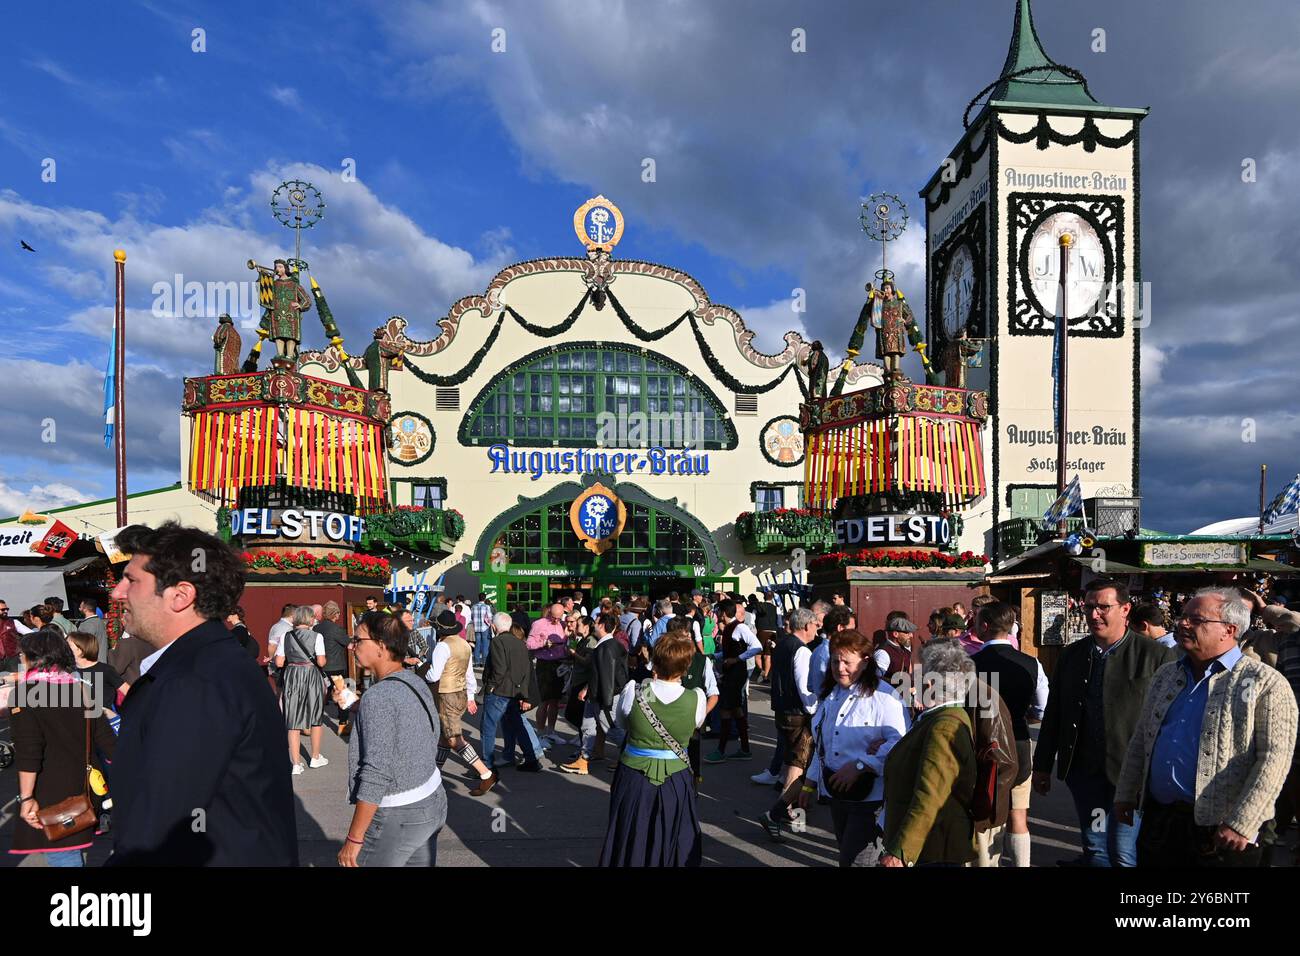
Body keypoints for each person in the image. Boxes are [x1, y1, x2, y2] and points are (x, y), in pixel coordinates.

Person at [106, 522, 297, 866]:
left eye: (131, 580)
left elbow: (157, 831)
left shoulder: (194, 681)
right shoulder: (209, 663)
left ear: (180, 595)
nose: (118, 593)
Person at [1115, 588, 1299, 867]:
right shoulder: (1167, 674)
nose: (1183, 623)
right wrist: (1126, 793)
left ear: (1229, 629)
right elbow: (1143, 737)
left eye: (1196, 619)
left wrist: (1243, 822)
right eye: (1183, 616)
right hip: (1161, 821)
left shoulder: (1266, 683)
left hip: (1223, 832)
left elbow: (1274, 761)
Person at [1032, 578, 1176, 867]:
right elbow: (1055, 714)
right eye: (1089, 607)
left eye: (1103, 607)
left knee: (1123, 851)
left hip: (1131, 775)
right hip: (1086, 773)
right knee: (1095, 847)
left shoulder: (1156, 656)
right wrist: (1043, 766)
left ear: (1125, 609)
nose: (1093, 614)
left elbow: (1171, 719)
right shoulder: (1073, 655)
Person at [334, 611, 448, 866]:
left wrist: (354, 839)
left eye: (358, 640)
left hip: (398, 811)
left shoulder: (379, 697)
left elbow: (375, 772)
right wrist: (354, 703)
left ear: (381, 647)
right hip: (431, 797)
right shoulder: (412, 681)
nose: (352, 645)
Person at [10, 627, 117, 867]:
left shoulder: (24, 694)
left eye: (22, 654)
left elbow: (29, 752)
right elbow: (108, 742)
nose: (20, 659)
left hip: (49, 791)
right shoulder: (81, 688)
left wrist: (26, 797)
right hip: (85, 787)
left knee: (62, 851)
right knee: (71, 849)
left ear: (35, 657)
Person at [599, 632, 707, 867]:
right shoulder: (695, 698)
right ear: (686, 665)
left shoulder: (635, 691)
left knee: (631, 833)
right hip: (676, 777)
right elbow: (695, 726)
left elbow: (620, 723)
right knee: (673, 835)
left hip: (634, 776)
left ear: (655, 662)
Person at [880, 638, 978, 867]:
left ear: (930, 684)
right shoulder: (938, 719)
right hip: (931, 845)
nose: (911, 681)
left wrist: (901, 852)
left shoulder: (944, 726)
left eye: (916, 675)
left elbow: (929, 795)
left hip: (934, 849)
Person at [970, 601, 1048, 867]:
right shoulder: (1031, 663)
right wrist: (1025, 715)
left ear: (985, 625)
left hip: (981, 745)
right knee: (1018, 815)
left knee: (985, 814)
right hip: (1018, 741)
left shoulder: (969, 665)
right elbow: (1042, 708)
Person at [759, 607, 826, 839]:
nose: (817, 630)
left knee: (791, 760)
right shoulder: (802, 650)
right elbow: (803, 686)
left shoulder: (785, 644)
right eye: (816, 625)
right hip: (797, 713)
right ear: (806, 625)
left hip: (782, 710)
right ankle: (782, 809)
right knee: (799, 763)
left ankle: (785, 809)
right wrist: (813, 711)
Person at [416, 610, 497, 796]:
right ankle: (433, 776)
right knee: (446, 737)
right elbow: (469, 674)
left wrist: (421, 666)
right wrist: (470, 697)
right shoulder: (464, 644)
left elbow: (434, 675)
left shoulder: (442, 646)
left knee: (454, 738)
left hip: (447, 695)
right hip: (460, 694)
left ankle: (486, 774)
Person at [562, 612, 629, 775]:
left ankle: (630, 757)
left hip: (604, 697)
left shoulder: (606, 647)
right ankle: (583, 760)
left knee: (611, 728)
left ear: (602, 626)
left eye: (597, 622)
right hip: (597, 694)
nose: (594, 625)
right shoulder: (609, 645)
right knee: (588, 726)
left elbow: (607, 676)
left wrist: (604, 701)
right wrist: (588, 689)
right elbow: (599, 673)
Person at [481, 612, 543, 773]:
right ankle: (531, 759)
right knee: (518, 725)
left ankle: (487, 766)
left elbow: (499, 669)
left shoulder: (497, 641)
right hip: (515, 691)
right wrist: (523, 692)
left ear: (494, 627)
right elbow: (526, 671)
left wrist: (490, 687)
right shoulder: (520, 643)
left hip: (500, 690)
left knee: (488, 727)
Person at [705, 599, 762, 762]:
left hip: (736, 673)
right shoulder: (730, 628)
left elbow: (757, 646)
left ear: (723, 613)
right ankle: (745, 749)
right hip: (731, 671)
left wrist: (737, 659)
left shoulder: (740, 627)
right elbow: (730, 651)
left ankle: (721, 751)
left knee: (725, 710)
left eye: (717, 612)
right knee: (737, 710)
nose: (715, 615)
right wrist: (716, 656)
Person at [278, 605, 328, 774]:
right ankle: (315, 757)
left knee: (293, 720)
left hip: (292, 675)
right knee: (315, 716)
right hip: (311, 674)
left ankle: (296, 764)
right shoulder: (317, 636)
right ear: (309, 619)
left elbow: (279, 662)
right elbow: (321, 662)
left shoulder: (286, 636)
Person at [527, 602, 569, 745]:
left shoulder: (563, 625)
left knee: (555, 701)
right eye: (554, 617)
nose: (556, 620)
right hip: (544, 664)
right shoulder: (539, 623)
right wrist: (543, 643)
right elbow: (529, 643)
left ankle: (551, 732)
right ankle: (540, 734)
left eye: (559, 617)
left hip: (559, 664)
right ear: (549, 612)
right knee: (544, 701)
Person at [67, 630, 125, 716]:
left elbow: (129, 691)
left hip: (102, 722)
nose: (63, 648)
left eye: (68, 646)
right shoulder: (69, 671)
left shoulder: (105, 670)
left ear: (80, 649)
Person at [316, 601, 351, 731]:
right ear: (335, 614)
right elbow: (349, 644)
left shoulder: (317, 628)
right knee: (343, 695)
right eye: (338, 613)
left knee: (320, 695)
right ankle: (343, 725)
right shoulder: (336, 629)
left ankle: (313, 723)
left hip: (321, 667)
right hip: (336, 667)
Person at [809, 604, 855, 695]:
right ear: (840, 628)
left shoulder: (817, 651)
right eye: (852, 630)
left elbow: (810, 686)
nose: (854, 634)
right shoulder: (830, 654)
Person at [265, 603, 295, 693]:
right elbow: (272, 645)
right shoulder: (284, 628)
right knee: (283, 692)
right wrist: (272, 659)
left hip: (280, 665)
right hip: (281, 666)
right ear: (292, 615)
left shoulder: (279, 626)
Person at [753, 592, 779, 684]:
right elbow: (779, 622)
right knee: (768, 655)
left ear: (764, 597)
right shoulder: (776, 608)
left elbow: (753, 619)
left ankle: (761, 670)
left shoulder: (759, 606)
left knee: (758, 654)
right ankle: (766, 675)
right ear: (772, 598)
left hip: (761, 631)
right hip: (773, 632)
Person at [76, 598, 109, 663]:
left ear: (85, 609)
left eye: (80, 607)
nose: (79, 609)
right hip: (100, 662)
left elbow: (85, 646)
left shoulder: (88, 624)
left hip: (91, 664)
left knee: (90, 674)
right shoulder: (100, 621)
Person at [470, 593, 494, 667]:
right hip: (485, 627)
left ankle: (477, 662)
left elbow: (472, 617)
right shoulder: (487, 606)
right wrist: (492, 625)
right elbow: (490, 617)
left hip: (476, 628)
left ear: (478, 598)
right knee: (485, 645)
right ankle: (484, 662)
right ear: (484, 598)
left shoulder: (474, 606)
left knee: (477, 644)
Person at [0, 598, 20, 672]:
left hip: (13, 659)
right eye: (3, 609)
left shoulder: (14, 622)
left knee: (18, 682)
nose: (6, 611)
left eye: (7, 609)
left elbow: (31, 634)